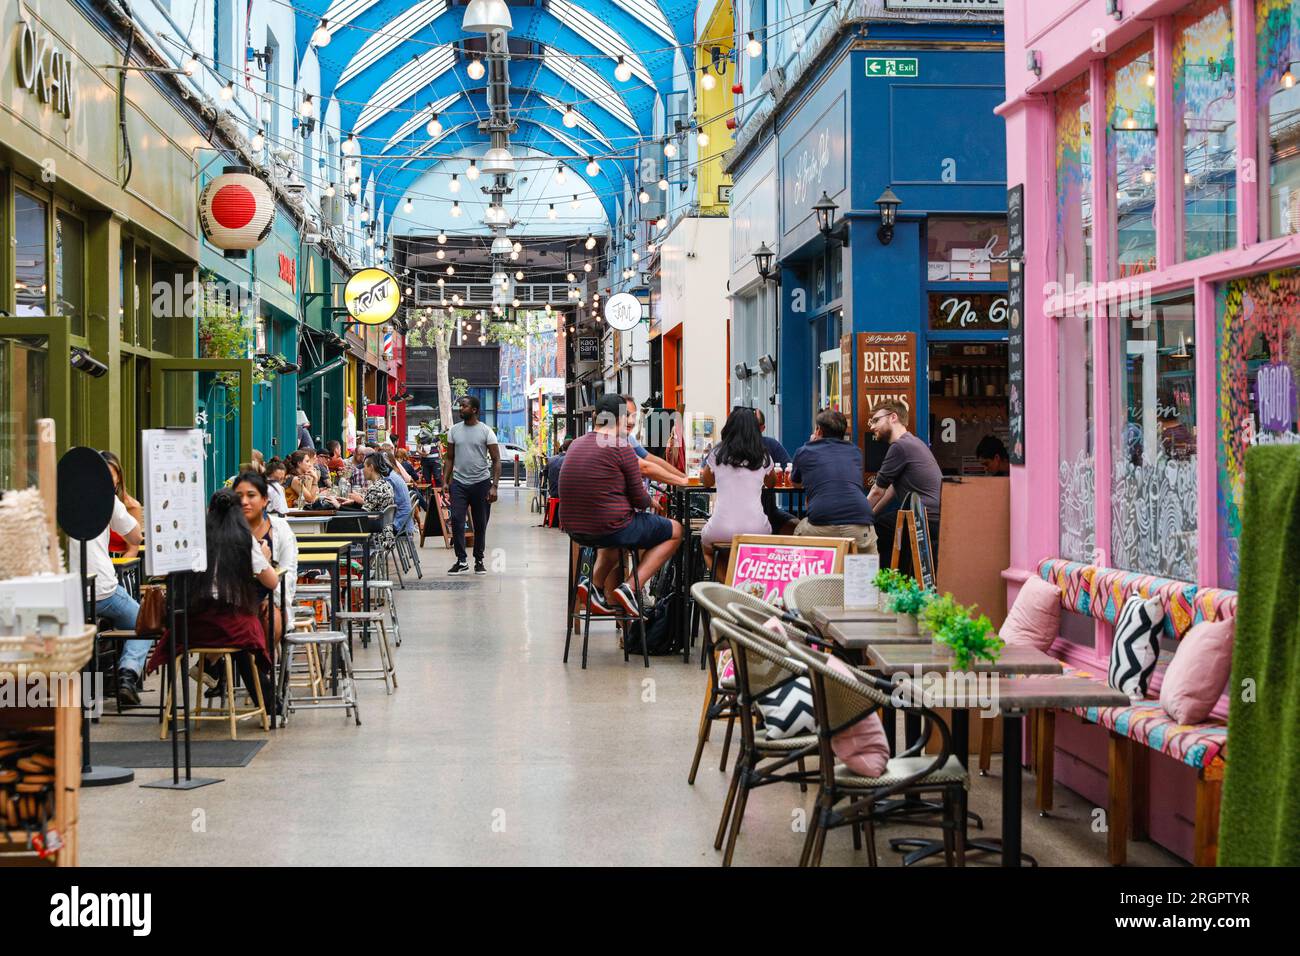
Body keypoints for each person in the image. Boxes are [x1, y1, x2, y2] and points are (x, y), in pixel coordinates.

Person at [146, 489, 280, 709]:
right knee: (242, 638)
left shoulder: (191, 539)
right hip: (230, 625)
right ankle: (268, 704)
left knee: (238, 641)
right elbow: (272, 582)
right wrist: (263, 558)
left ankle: (211, 670)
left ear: (208, 511)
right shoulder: (243, 540)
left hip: (190, 626)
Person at [560, 393, 683, 616]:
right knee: (675, 530)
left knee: (616, 539)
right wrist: (651, 500)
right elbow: (639, 498)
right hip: (609, 528)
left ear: (596, 417)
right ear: (619, 418)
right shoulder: (620, 446)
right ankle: (631, 588)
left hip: (575, 529)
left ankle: (593, 587)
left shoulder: (575, 444)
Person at [78, 452, 147, 705]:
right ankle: (127, 675)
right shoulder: (108, 499)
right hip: (102, 590)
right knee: (144, 621)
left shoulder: (61, 495)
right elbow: (135, 537)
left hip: (65, 594)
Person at [867, 399, 943, 572]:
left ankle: (885, 587)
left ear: (893, 417)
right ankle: (899, 582)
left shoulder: (900, 446)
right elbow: (891, 490)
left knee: (875, 534)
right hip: (932, 518)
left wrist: (858, 517)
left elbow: (877, 490)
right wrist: (869, 514)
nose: (872, 426)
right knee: (881, 526)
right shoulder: (912, 442)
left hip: (923, 518)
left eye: (876, 420)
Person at [790, 409, 877, 554]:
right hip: (860, 524)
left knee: (799, 531)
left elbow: (796, 483)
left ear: (818, 430)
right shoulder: (855, 452)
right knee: (868, 575)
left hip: (821, 524)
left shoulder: (805, 451)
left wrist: (812, 444)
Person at [699, 407, 776, 568]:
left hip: (721, 528)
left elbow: (706, 482)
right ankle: (746, 584)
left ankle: (725, 584)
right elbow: (772, 483)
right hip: (756, 529)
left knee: (707, 549)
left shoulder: (718, 453)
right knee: (762, 546)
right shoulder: (763, 455)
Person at [234, 472, 297, 645]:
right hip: (233, 603)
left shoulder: (281, 530)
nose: (244, 501)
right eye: (239, 496)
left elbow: (288, 576)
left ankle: (262, 668)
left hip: (272, 600)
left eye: (251, 495)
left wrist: (269, 599)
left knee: (269, 619)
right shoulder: (229, 533)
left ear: (264, 500)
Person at [444, 395, 500, 574]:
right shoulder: (453, 430)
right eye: (460, 405)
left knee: (480, 524)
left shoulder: (486, 431)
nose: (460, 408)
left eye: (464, 406)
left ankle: (479, 560)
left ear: (474, 409)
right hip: (459, 483)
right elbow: (449, 458)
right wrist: (445, 481)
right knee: (457, 521)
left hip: (481, 483)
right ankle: (461, 560)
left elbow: (497, 460)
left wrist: (494, 486)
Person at [754, 407, 797, 535]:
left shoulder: (771, 445)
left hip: (769, 511)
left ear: (762, 428)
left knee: (799, 529)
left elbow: (789, 469)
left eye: (754, 426)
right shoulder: (729, 449)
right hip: (741, 515)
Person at [102, 451, 142, 560]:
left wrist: (117, 568)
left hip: (123, 564)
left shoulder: (132, 506)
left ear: (118, 477)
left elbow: (133, 548)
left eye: (110, 476)